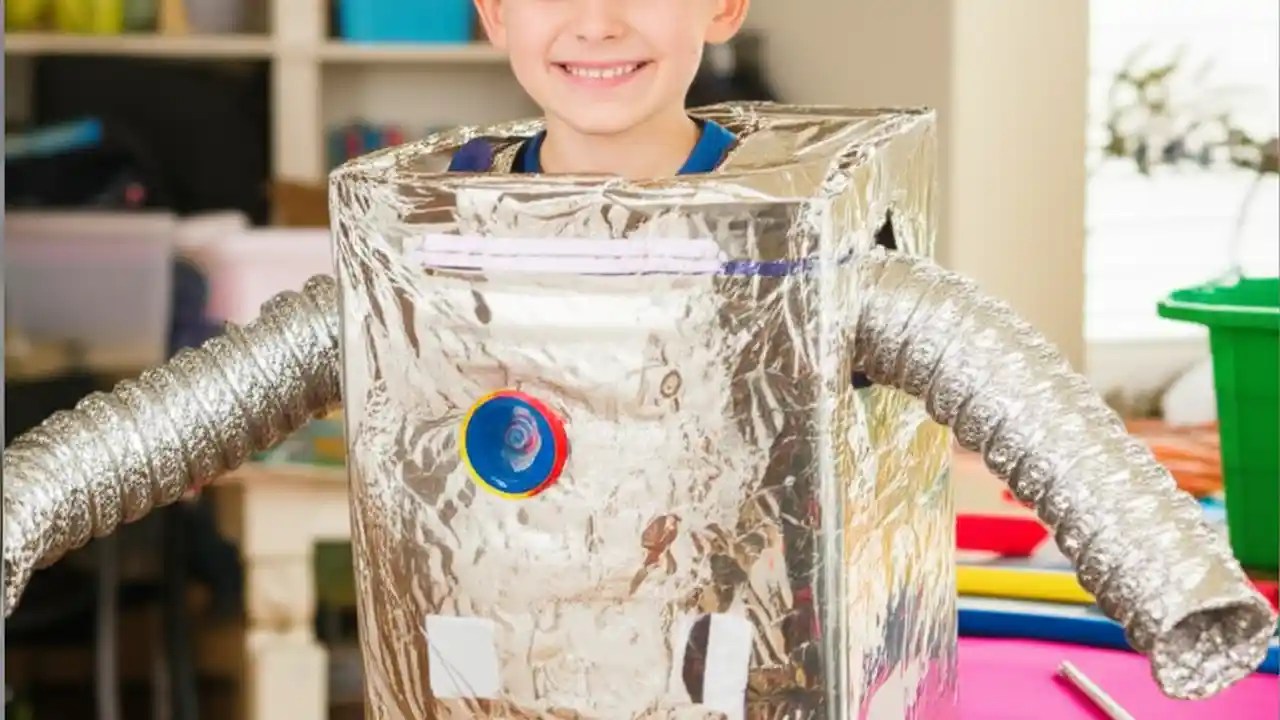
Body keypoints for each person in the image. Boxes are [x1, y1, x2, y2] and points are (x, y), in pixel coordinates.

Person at [449, 0, 751, 177]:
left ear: (724, 7)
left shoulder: (771, 211)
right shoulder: (457, 194)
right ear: (496, 12)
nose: (596, 28)